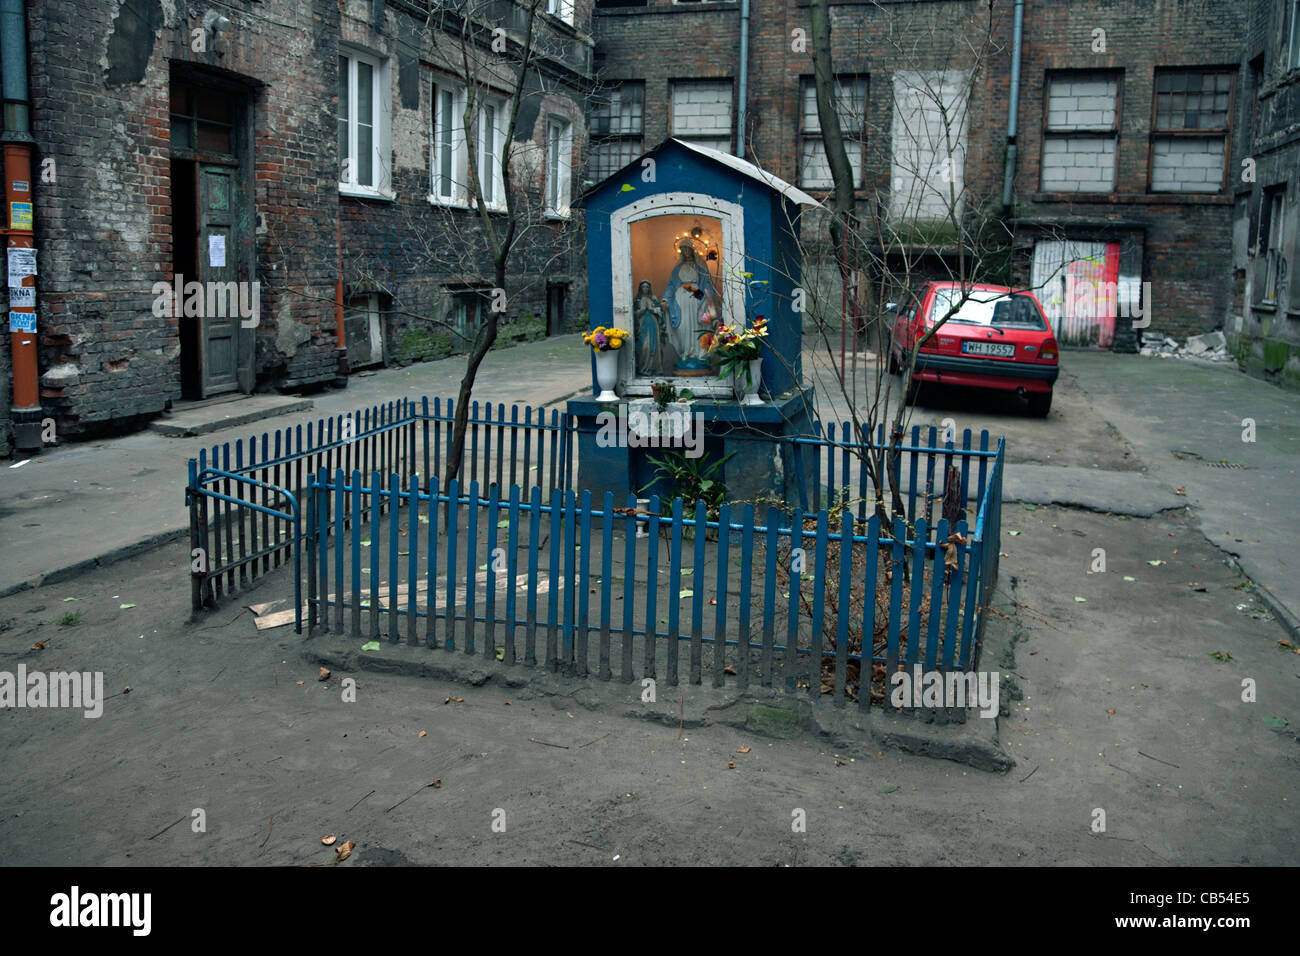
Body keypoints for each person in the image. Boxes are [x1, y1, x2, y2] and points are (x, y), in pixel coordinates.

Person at [663, 239, 719, 370]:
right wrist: (665, 299)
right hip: (680, 300)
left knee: (697, 325)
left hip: (696, 297)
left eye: (687, 249)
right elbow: (671, 285)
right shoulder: (677, 269)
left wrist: (708, 299)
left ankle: (698, 354)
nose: (686, 252)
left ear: (692, 250)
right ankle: (685, 353)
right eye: (683, 250)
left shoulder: (700, 268)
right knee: (682, 327)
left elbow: (707, 284)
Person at [634, 279, 666, 375]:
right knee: (644, 347)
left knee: (654, 345)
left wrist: (652, 309)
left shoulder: (653, 298)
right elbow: (633, 314)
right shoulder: (637, 299)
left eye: (647, 287)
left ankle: (653, 369)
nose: (645, 288)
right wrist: (642, 310)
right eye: (643, 287)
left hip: (653, 324)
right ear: (640, 288)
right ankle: (643, 368)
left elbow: (660, 311)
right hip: (642, 325)